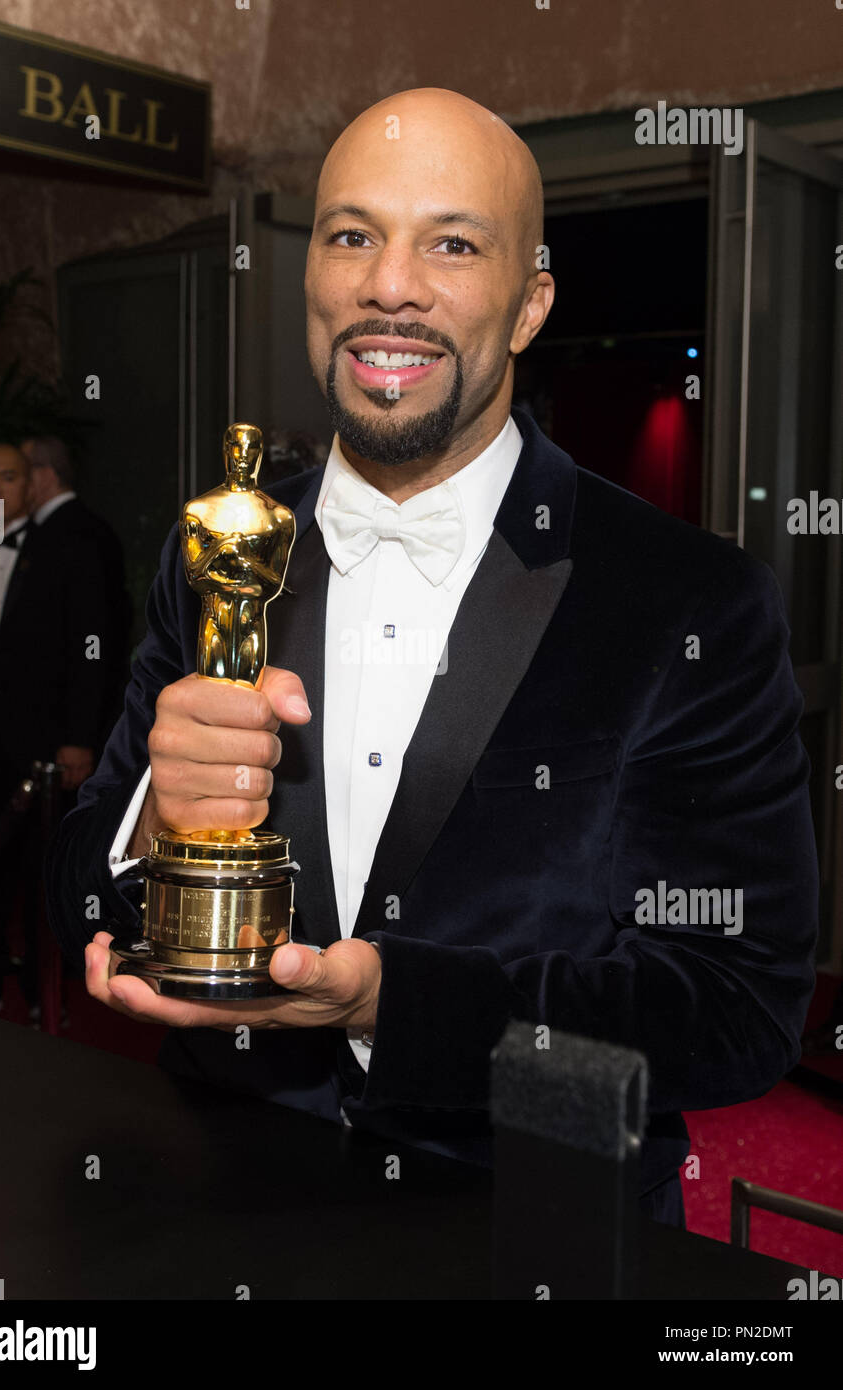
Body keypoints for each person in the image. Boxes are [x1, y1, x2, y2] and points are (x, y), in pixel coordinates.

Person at [46, 88, 818, 1228]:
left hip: (529, 1231)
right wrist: (154, 823)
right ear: (310, 278)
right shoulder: (218, 546)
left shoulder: (686, 599)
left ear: (527, 304)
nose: (388, 284)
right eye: (352, 234)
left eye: (451, 243)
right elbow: (80, 895)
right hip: (221, 1204)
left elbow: (736, 1006)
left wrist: (389, 1006)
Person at [0, 440, 114, 1011]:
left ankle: (48, 993)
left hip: (44, 750)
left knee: (46, 874)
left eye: (7, 477)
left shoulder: (68, 552)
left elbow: (88, 651)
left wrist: (79, 739)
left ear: (30, 486)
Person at [21, 435, 131, 744]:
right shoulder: (60, 530)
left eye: (18, 472)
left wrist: (78, 735)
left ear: (45, 473)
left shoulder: (76, 535)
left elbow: (93, 636)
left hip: (66, 724)